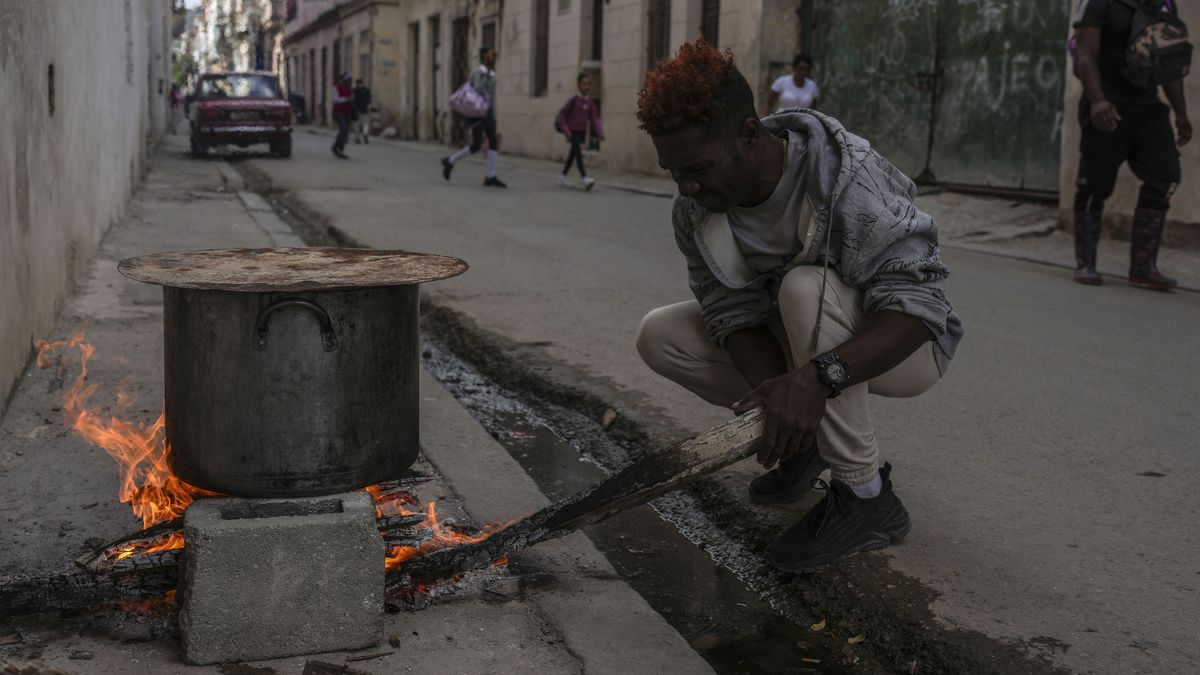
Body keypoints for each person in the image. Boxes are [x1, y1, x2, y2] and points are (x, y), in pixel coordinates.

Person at [634, 41, 963, 573]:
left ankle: (866, 497)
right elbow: (730, 312)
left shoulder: (846, 177)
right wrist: (786, 402)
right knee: (659, 335)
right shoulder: (694, 210)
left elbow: (920, 307)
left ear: (748, 134)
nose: (687, 186)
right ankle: (805, 441)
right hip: (807, 347)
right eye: (674, 173)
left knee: (804, 287)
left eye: (697, 168)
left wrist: (815, 380)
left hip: (904, 350)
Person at [1071, 0, 1190, 289]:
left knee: (1166, 177)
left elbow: (1168, 62)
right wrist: (1097, 101)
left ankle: (1143, 267)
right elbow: (1085, 55)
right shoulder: (1098, 2)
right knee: (1094, 186)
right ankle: (1086, 263)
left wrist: (1181, 113)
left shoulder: (1164, 5)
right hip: (1107, 102)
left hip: (1148, 107)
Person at [441, 46, 507, 188]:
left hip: (488, 113)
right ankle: (450, 161)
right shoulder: (479, 72)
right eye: (491, 54)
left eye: (494, 54)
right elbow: (477, 88)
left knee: (491, 141)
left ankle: (491, 176)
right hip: (478, 113)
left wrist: (494, 114)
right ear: (484, 56)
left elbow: (492, 97)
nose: (494, 56)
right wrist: (486, 78)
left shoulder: (491, 72)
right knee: (478, 144)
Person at [556, 73, 606, 190]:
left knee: (572, 155)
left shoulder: (589, 103)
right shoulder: (573, 100)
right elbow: (562, 114)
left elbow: (594, 118)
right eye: (584, 84)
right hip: (572, 132)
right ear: (578, 85)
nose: (586, 86)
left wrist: (600, 132)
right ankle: (585, 178)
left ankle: (562, 176)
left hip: (581, 132)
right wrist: (567, 131)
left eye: (588, 84)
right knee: (578, 154)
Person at [331, 73, 353, 159]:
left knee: (345, 131)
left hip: (347, 112)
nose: (349, 82)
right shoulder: (336, 88)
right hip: (339, 112)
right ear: (343, 81)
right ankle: (338, 148)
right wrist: (346, 99)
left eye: (350, 81)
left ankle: (338, 148)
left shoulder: (350, 89)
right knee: (343, 129)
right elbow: (335, 100)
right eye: (348, 81)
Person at [353, 78, 372, 144]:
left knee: (357, 124)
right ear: (362, 83)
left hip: (356, 110)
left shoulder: (355, 91)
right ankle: (365, 134)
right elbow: (369, 100)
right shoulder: (367, 90)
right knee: (365, 124)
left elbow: (353, 100)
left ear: (357, 84)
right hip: (365, 110)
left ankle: (357, 138)